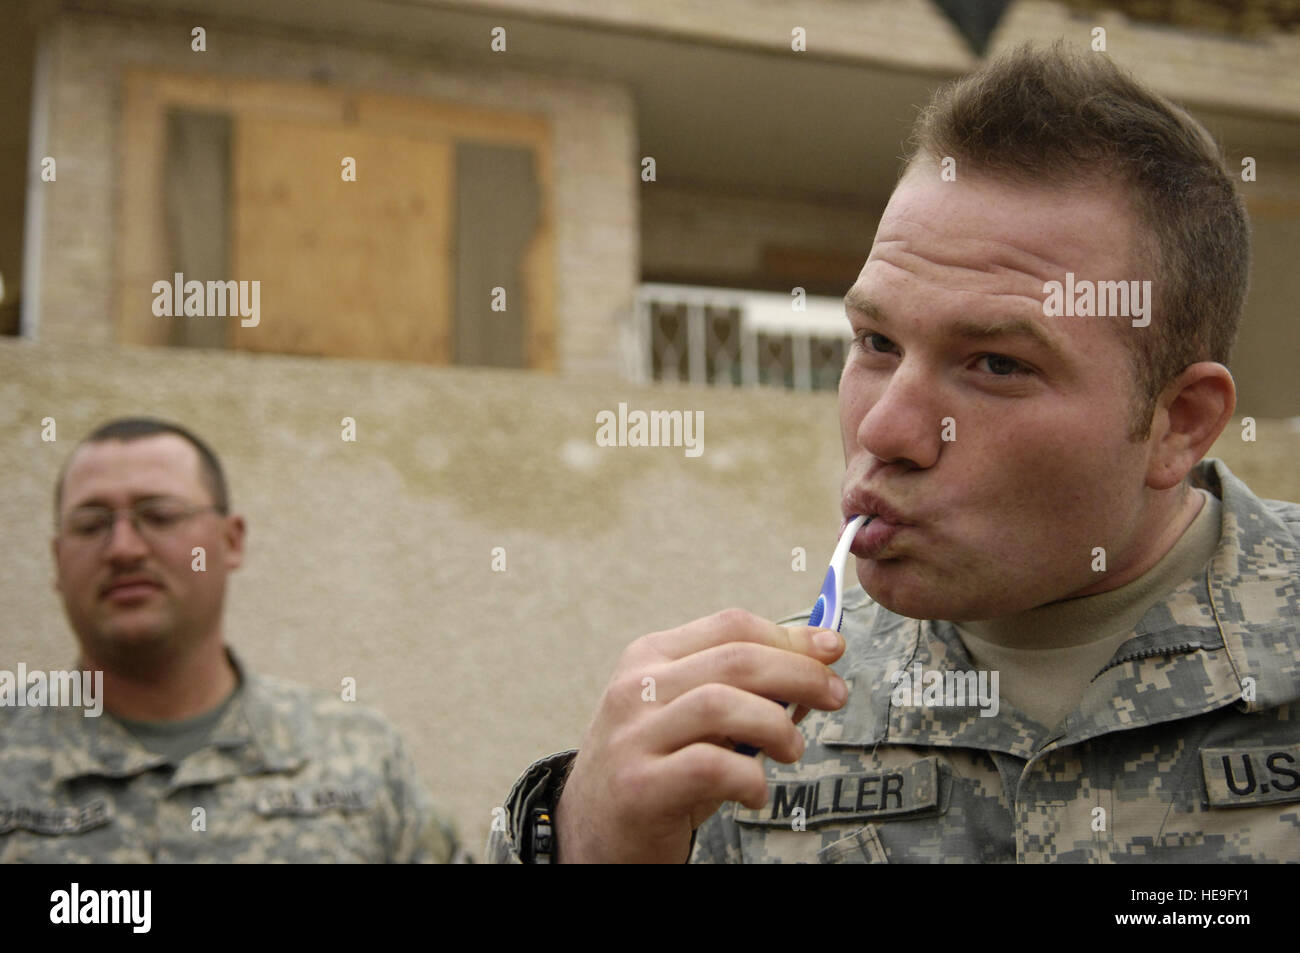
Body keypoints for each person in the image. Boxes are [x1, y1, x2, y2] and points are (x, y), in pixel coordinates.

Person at [487, 43, 1299, 863]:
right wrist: (579, 840)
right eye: (876, 342)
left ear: (1178, 422)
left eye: (996, 365)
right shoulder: (758, 729)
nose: (885, 430)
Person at [0, 417, 468, 863]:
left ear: (231, 541)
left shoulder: (360, 758)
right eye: (90, 524)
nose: (123, 548)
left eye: (159, 516)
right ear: (57, 559)